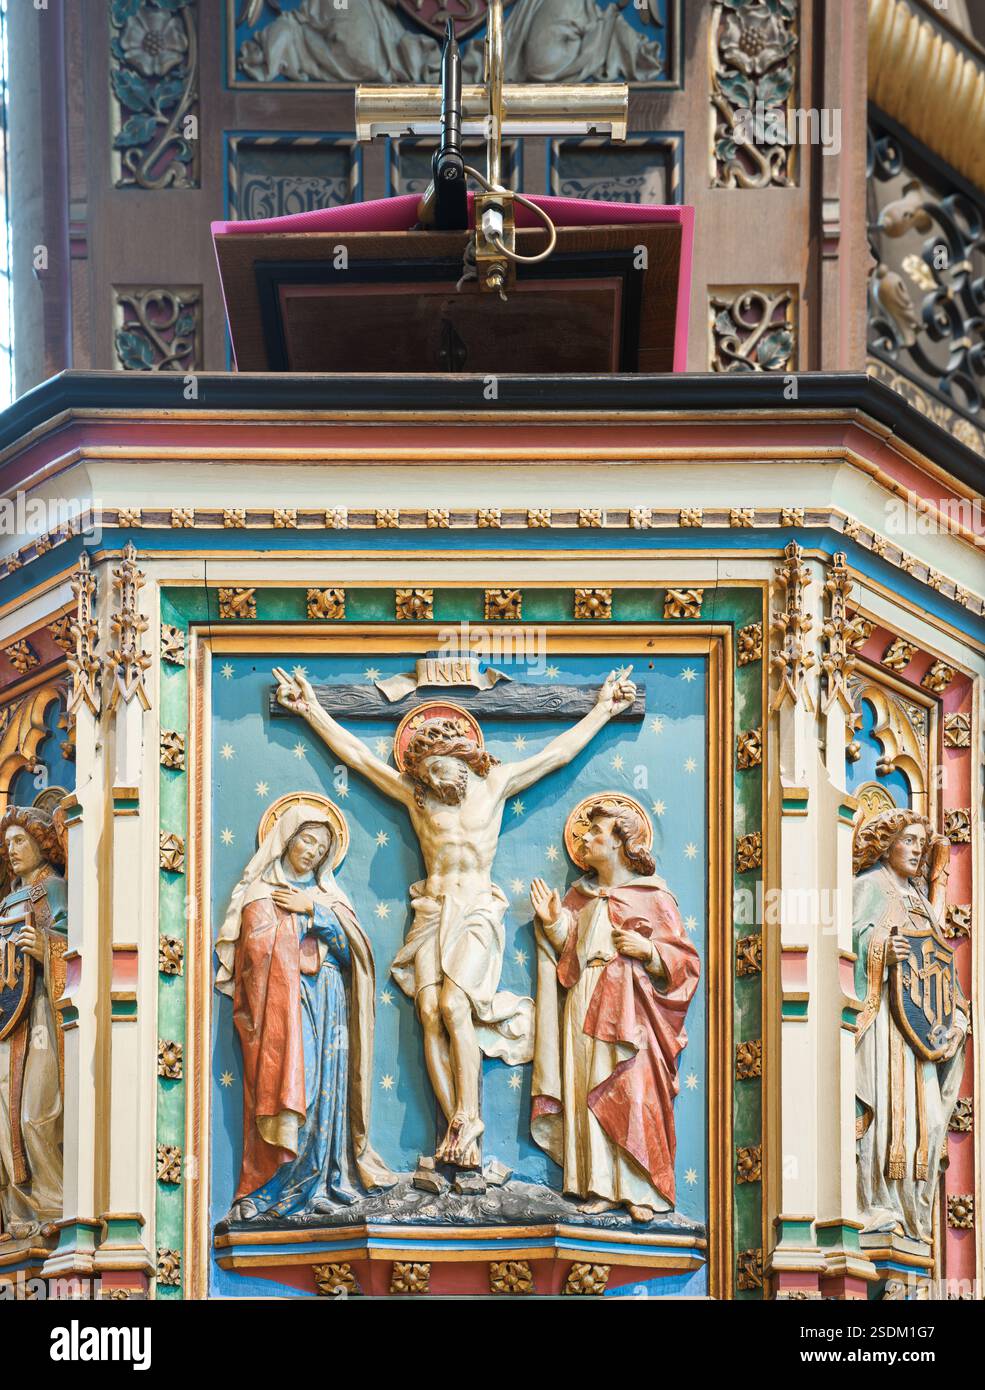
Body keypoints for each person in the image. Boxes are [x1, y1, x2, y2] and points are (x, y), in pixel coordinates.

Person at [273, 664, 636, 1170]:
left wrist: (602, 709)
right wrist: (310, 708)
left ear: (460, 760)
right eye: (422, 775)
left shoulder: (496, 785)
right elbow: (357, 756)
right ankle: (457, 1127)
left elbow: (557, 755)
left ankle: (470, 1113)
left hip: (475, 911)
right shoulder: (417, 798)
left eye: (438, 771)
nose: (432, 782)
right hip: (431, 909)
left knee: (452, 1005)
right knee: (427, 1015)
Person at [215, 804, 394, 1220]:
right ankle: (271, 1190)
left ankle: (323, 1182)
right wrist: (293, 923)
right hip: (284, 1006)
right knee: (300, 1085)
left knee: (327, 1090)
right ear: (288, 840)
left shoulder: (329, 898)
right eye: (308, 840)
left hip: (329, 998)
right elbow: (254, 956)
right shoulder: (260, 895)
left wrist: (313, 911)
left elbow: (356, 956)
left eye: (323, 847)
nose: (313, 852)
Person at [529, 798, 699, 1222]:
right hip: (585, 997)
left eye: (596, 832)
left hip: (632, 1007)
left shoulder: (653, 896)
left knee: (631, 1088)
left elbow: (687, 963)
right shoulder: (580, 896)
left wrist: (650, 951)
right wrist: (554, 923)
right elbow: (570, 951)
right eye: (584, 831)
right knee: (588, 1091)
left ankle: (639, 1185)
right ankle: (599, 1184)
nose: (586, 838)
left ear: (622, 843)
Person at [853, 809, 967, 1243]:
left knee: (930, 1121)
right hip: (882, 1024)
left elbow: (942, 968)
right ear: (886, 843)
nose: (918, 848)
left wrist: (956, 1021)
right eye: (909, 840)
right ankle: (875, 1204)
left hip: (919, 1039)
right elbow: (844, 942)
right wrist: (880, 947)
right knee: (882, 1114)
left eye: (922, 842)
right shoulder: (867, 886)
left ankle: (912, 1215)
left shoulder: (919, 900)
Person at [0, 806, 67, 1242]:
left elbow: (81, 946)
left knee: (34, 1114)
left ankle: (56, 1206)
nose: (11, 850)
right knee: (5, 1118)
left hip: (43, 1012)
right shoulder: (7, 902)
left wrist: (46, 946)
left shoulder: (57, 890)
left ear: (42, 843)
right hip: (9, 1022)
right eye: (7, 845)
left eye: (20, 840)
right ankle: (19, 1215)